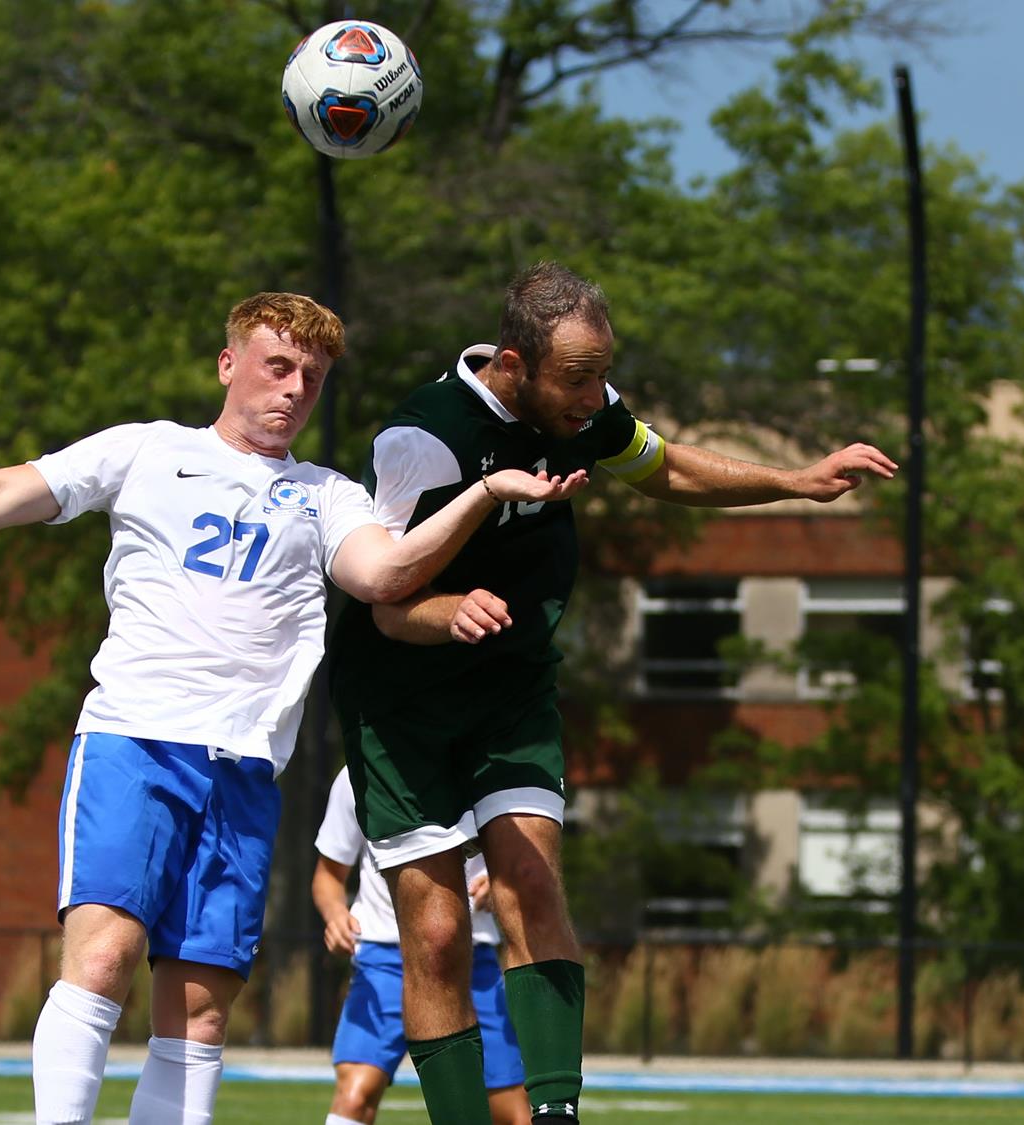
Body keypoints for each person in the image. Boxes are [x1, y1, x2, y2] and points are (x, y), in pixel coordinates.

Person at [0, 292, 586, 1125]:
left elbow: (385, 577)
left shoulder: (328, 494)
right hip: (137, 740)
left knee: (199, 1008)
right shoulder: (147, 451)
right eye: (277, 366)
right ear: (227, 364)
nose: (294, 388)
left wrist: (485, 492)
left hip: (245, 770)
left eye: (311, 377)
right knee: (102, 957)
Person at [328, 262, 898, 1124]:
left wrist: (797, 480)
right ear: (514, 364)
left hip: (510, 687)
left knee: (530, 878)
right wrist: (447, 612)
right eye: (577, 376)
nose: (596, 395)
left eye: (602, 372)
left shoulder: (583, 411)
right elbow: (380, 598)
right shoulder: (424, 439)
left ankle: (557, 1112)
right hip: (400, 702)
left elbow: (664, 467)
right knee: (439, 934)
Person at [313, 767, 526, 1125]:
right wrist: (335, 915)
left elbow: (525, 861)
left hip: (472, 962)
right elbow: (328, 876)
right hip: (384, 958)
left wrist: (501, 880)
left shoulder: (486, 764)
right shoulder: (358, 774)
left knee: (513, 1116)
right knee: (355, 1095)